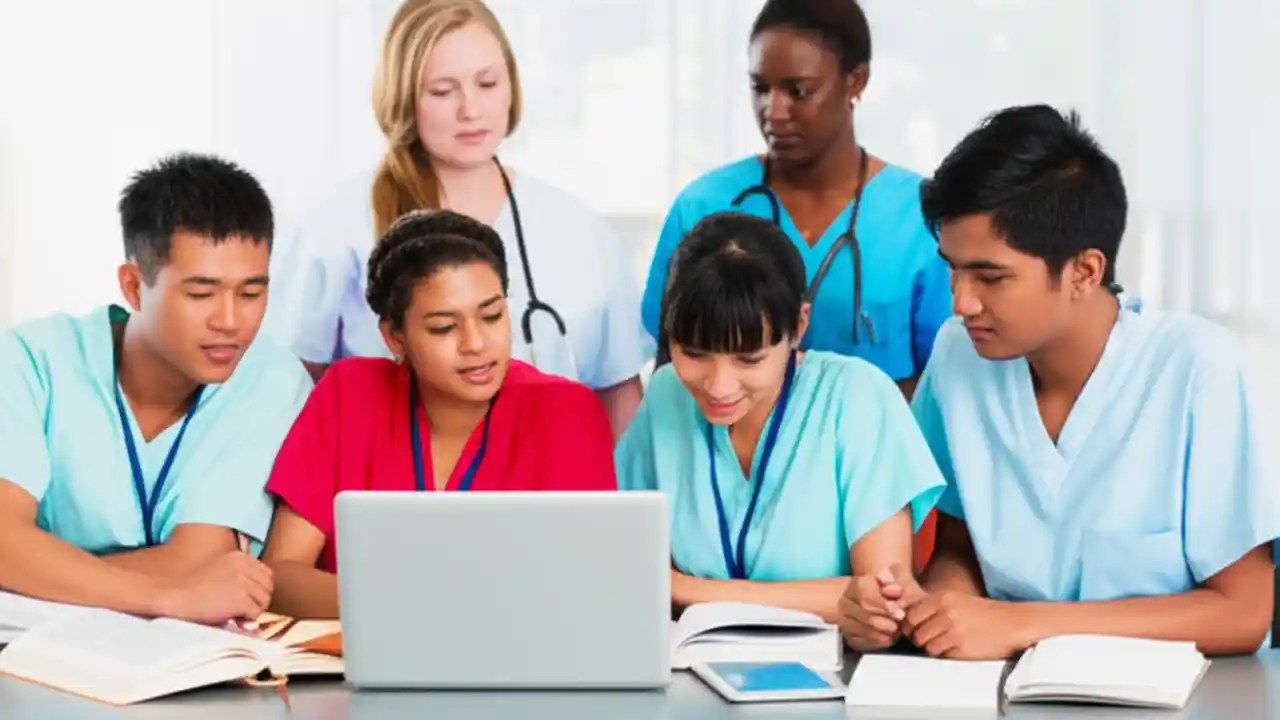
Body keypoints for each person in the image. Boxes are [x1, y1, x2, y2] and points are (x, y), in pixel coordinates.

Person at [839, 105, 1280, 658]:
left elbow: (1243, 613)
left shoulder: (1200, 370)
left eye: (990, 277)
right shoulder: (958, 355)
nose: (962, 301)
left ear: (1084, 272)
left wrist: (1019, 625)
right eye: (953, 268)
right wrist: (942, 605)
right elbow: (957, 548)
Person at [265, 0, 649, 437]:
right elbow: (290, 392)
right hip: (388, 496)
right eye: (443, 91)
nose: (471, 109)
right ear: (404, 96)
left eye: (487, 83)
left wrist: (620, 501)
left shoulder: (579, 231)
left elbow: (617, 395)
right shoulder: (336, 225)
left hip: (548, 495)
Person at [0, 153, 312, 625]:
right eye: (200, 294)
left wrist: (41, 572)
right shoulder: (31, 359)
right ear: (133, 285)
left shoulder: (272, 379)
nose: (230, 321)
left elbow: (199, 560)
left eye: (250, 293)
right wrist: (173, 597)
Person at [262, 209, 617, 619]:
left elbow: (580, 588)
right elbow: (281, 574)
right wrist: (423, 608)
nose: (476, 344)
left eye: (492, 316)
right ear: (395, 337)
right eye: (444, 328)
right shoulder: (349, 395)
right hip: (358, 671)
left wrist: (400, 605)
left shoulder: (565, 413)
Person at [616, 212, 943, 628]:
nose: (719, 386)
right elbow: (626, 571)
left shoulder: (857, 396)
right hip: (691, 666)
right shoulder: (665, 394)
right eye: (694, 353)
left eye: (749, 359)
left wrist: (683, 589)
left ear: (799, 326)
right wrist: (830, 598)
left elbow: (882, 605)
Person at [641, 0, 951, 397]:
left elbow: (945, 376)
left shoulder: (918, 216)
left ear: (856, 80)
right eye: (760, 88)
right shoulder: (705, 205)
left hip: (872, 452)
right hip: (727, 453)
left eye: (798, 91)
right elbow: (671, 359)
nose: (775, 110)